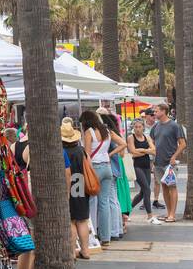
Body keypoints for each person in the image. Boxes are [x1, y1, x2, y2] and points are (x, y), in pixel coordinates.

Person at [81, 110, 122, 244]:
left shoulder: (89, 132)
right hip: (107, 167)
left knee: (92, 202)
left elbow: (87, 154)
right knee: (104, 203)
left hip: (95, 168)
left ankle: (93, 235)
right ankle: (106, 237)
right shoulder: (106, 131)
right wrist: (109, 155)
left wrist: (86, 171)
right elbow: (123, 144)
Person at [61, 118, 92, 259]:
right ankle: (85, 250)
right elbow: (89, 166)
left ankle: (72, 252)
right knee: (83, 219)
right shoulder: (81, 150)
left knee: (71, 220)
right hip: (81, 185)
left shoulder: (61, 152)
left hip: (69, 186)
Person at [150, 103, 186, 222]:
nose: (154, 113)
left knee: (172, 186)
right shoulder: (155, 127)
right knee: (164, 187)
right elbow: (152, 142)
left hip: (170, 163)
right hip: (158, 162)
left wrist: (174, 156)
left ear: (164, 111)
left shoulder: (174, 126)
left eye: (156, 111)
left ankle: (172, 214)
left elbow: (182, 144)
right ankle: (168, 212)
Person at [127, 118, 160, 224]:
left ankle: (126, 213)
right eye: (135, 127)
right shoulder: (131, 138)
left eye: (139, 127)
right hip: (137, 166)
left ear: (143, 127)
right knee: (147, 189)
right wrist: (147, 151)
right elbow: (132, 151)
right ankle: (150, 216)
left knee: (142, 193)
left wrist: (142, 150)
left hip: (146, 166)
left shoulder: (147, 137)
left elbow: (154, 151)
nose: (137, 129)